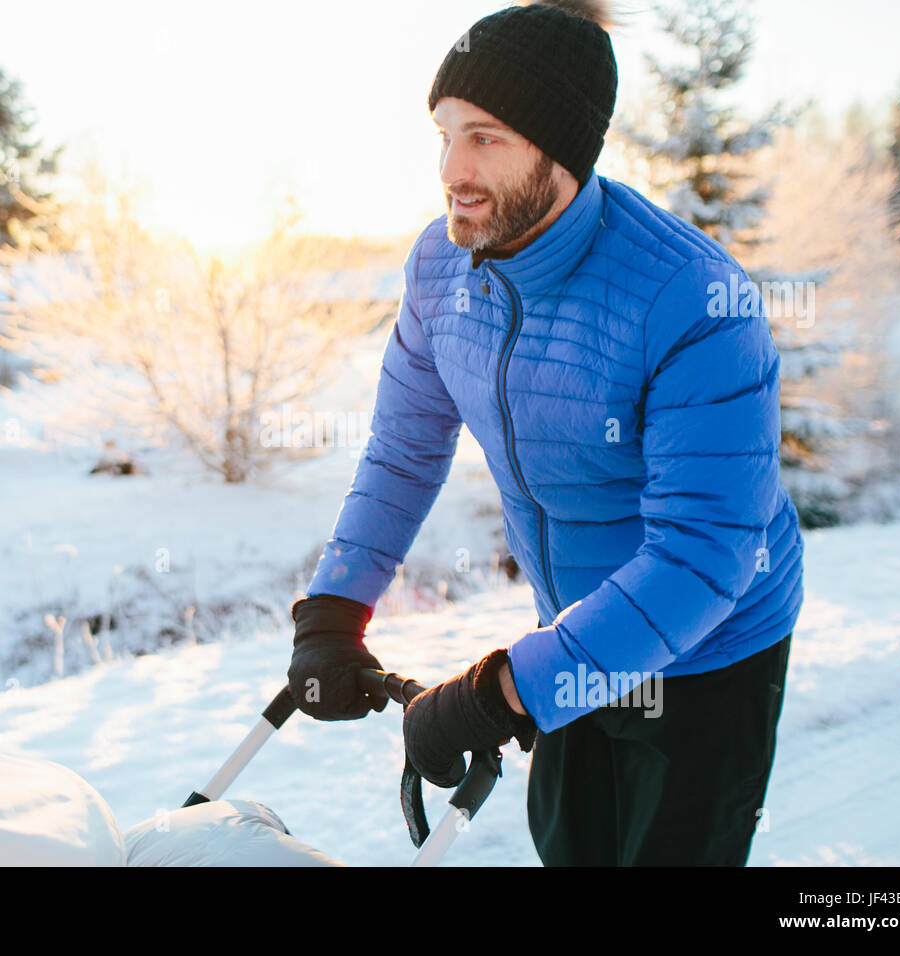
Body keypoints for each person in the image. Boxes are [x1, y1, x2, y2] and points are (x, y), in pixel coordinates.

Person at [286, 0, 804, 866]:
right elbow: (403, 451)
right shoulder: (440, 266)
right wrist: (336, 607)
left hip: (713, 651)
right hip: (570, 630)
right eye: (445, 134)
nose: (453, 166)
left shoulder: (693, 300)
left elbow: (703, 555)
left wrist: (507, 691)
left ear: (560, 146)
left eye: (485, 136)